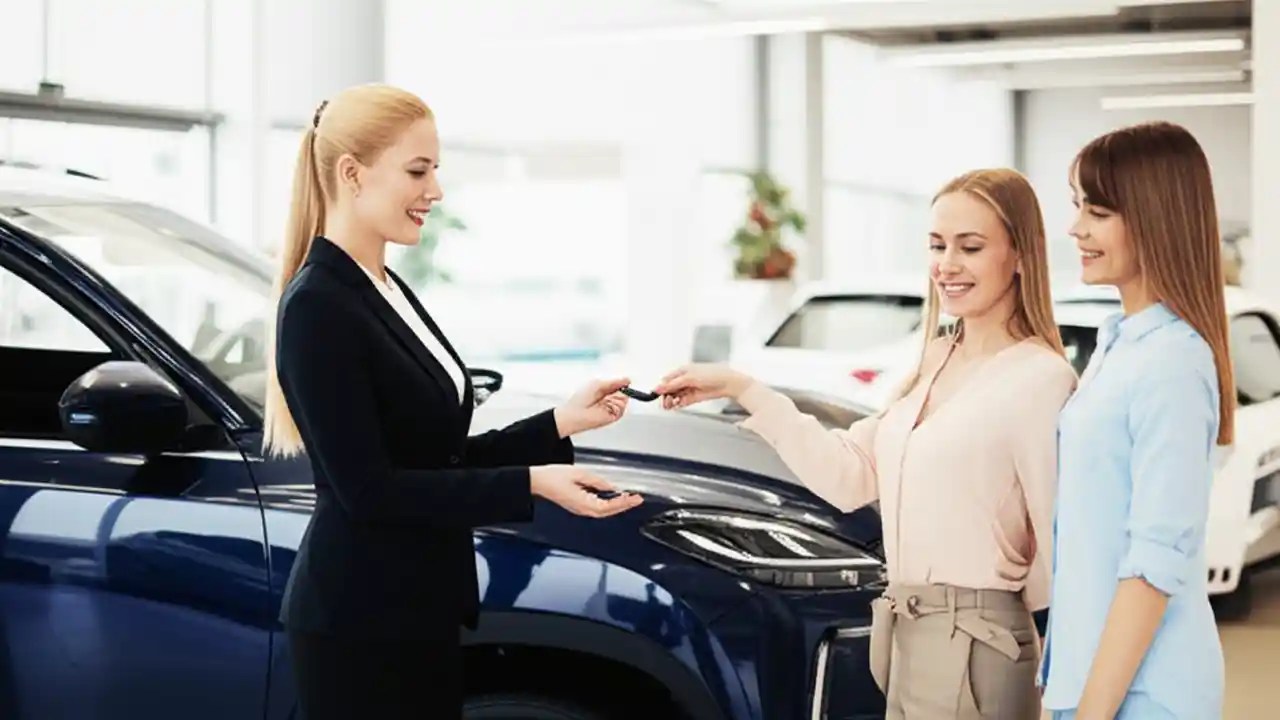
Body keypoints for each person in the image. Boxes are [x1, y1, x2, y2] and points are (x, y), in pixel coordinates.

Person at [263, 83, 643, 719]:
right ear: (352, 174)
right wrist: (533, 482)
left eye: (435, 169)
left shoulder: (384, 287)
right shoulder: (317, 306)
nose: (436, 190)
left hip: (414, 609)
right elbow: (371, 491)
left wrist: (558, 421)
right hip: (360, 623)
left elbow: (433, 456)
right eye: (419, 170)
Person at [655, 168, 1077, 719]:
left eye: (970, 247)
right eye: (936, 245)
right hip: (903, 632)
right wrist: (745, 388)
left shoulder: (1039, 379)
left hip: (979, 642)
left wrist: (1066, 684)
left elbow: (1060, 545)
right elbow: (848, 475)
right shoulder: (937, 358)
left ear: (1021, 255)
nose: (946, 264)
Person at [1040, 121, 1234, 720]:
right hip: (1092, 681)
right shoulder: (1118, 343)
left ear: (1154, 217)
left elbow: (1154, 563)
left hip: (1143, 694)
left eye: (1097, 211)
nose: (1076, 228)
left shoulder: (1174, 361)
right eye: (1077, 207)